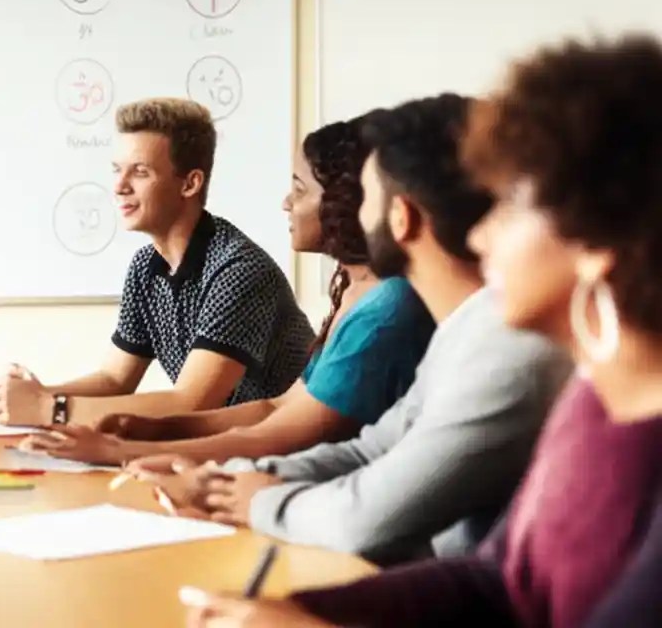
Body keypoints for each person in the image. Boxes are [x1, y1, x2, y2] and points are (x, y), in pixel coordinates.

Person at [192, 37, 662, 628]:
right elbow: (496, 582)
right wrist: (293, 612)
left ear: (599, 239)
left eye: (510, 205)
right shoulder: (592, 403)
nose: (482, 233)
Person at [135, 93, 572, 565]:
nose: (352, 208)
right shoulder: (469, 328)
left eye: (365, 193)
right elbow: (371, 451)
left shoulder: (509, 353)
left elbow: (366, 516)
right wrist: (230, 481)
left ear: (400, 216)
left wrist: (252, 498)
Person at [21, 118, 434, 465]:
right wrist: (156, 428)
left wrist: (121, 448)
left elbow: (278, 433)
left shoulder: (383, 308)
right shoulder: (354, 290)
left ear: (350, 202)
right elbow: (275, 408)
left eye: (300, 189)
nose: (286, 203)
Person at [0, 98, 315, 427]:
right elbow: (115, 379)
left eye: (140, 172)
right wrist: (38, 395)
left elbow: (192, 403)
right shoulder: (146, 266)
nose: (119, 186)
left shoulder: (239, 271)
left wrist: (49, 408)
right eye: (117, 170)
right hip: (223, 450)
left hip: (287, 453)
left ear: (190, 183)